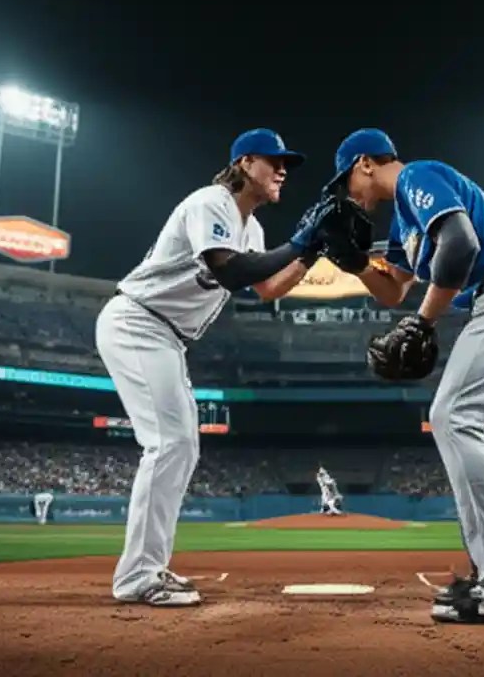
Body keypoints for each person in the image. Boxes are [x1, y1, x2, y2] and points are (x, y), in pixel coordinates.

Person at [321, 128, 484, 625]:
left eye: (346, 182)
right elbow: (393, 291)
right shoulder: (408, 218)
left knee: (453, 417)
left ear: (365, 163)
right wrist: (353, 261)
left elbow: (460, 246)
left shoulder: (418, 177)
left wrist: (423, 324)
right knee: (473, 432)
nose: (348, 195)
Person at [97, 128, 333, 607]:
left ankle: (149, 568)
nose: (283, 169)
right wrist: (302, 240)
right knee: (168, 444)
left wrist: (311, 250)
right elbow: (231, 271)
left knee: (181, 446)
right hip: (138, 322)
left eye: (286, 162)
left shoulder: (252, 228)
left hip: (165, 336)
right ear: (246, 163)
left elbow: (268, 288)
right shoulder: (212, 201)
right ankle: (138, 577)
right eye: (274, 160)